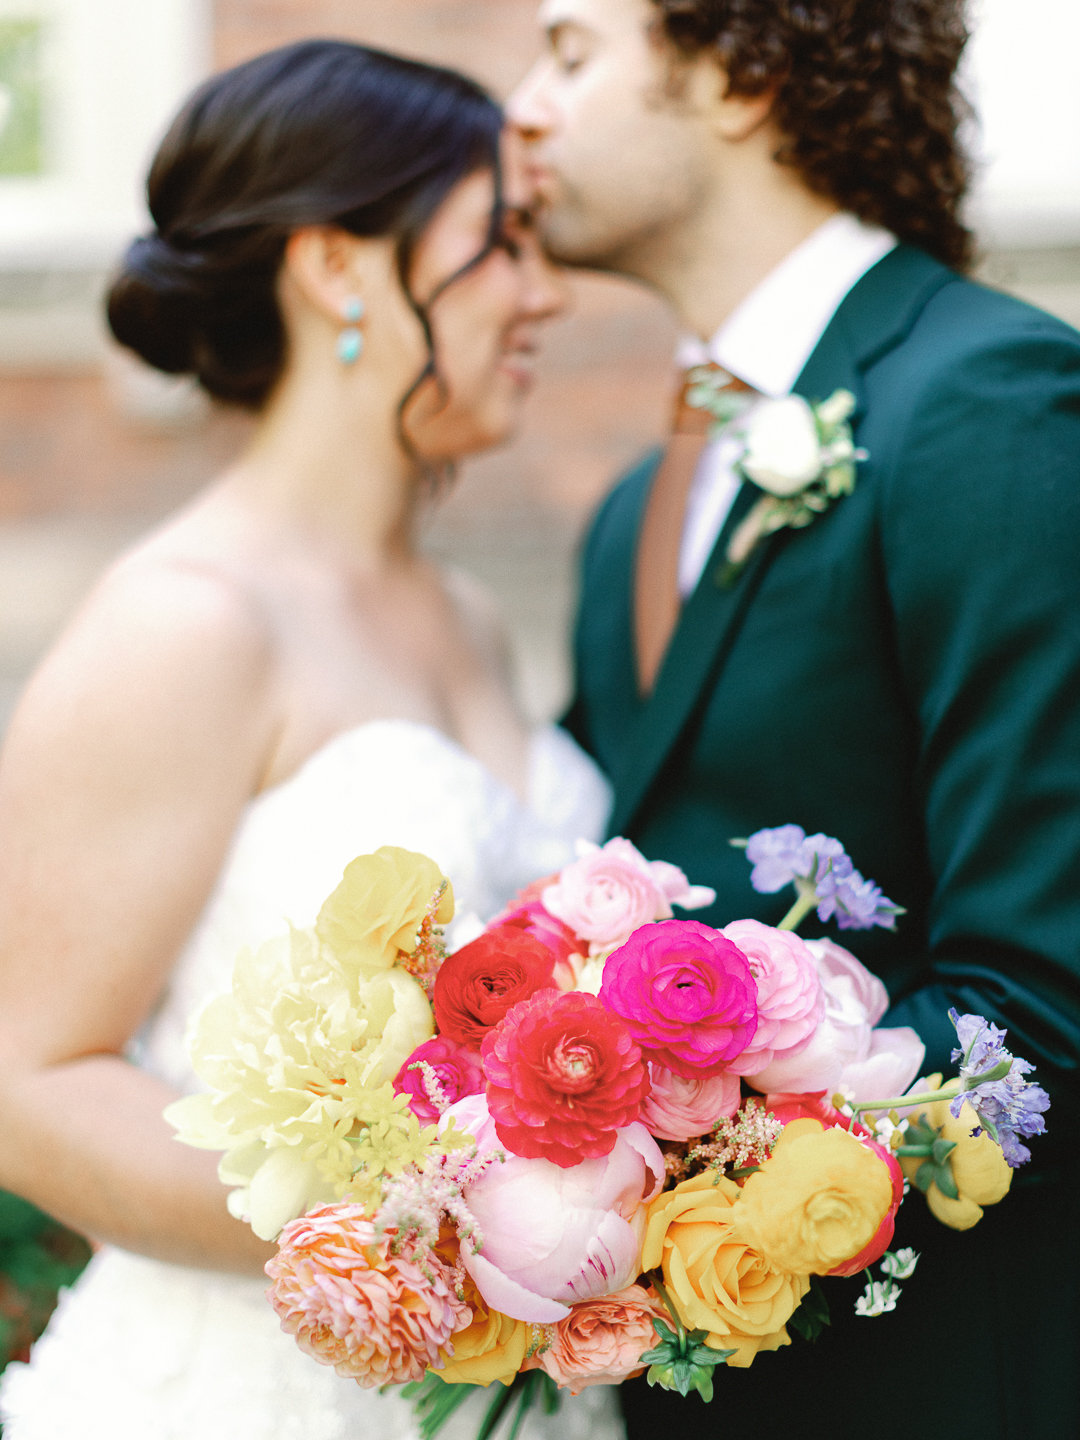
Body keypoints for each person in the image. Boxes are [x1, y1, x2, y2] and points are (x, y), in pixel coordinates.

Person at [0, 40, 619, 1440]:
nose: (546, 293)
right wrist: (430, 1245)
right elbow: (30, 1089)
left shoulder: (469, 616)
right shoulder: (185, 625)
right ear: (338, 266)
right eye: (502, 242)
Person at [509, 1, 1080, 1436]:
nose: (523, 106)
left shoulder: (990, 406)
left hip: (951, 1375)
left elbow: (1044, 992)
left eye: (571, 53)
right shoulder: (635, 511)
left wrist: (673, 1204)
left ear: (743, 74)